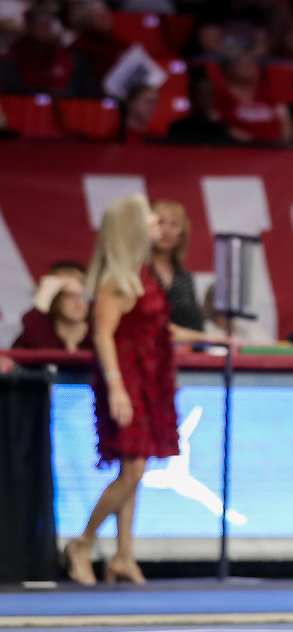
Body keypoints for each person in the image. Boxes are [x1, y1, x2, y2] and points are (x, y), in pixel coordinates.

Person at [60, 195, 226, 586]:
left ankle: (123, 554)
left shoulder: (143, 275)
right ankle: (82, 543)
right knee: (133, 468)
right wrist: (117, 386)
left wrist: (213, 338)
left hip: (151, 380)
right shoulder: (116, 282)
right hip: (127, 380)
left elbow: (161, 329)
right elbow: (103, 334)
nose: (157, 224)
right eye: (151, 218)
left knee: (134, 467)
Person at [149, 200, 203, 332]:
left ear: (181, 235)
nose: (166, 231)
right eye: (160, 222)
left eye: (174, 225)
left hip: (187, 343)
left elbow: (196, 323)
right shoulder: (139, 270)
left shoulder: (185, 277)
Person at [11, 271, 92, 351]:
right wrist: (44, 296)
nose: (79, 303)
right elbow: (31, 329)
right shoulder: (38, 331)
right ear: (54, 300)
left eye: (83, 296)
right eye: (69, 296)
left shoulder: (94, 333)